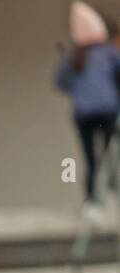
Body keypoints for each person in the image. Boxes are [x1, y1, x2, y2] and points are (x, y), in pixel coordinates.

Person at [54, 2, 120, 219]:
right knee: (110, 151)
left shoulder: (72, 57)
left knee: (90, 158)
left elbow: (60, 83)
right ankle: (112, 191)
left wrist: (81, 91)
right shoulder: (108, 53)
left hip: (83, 115)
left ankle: (92, 202)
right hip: (107, 111)